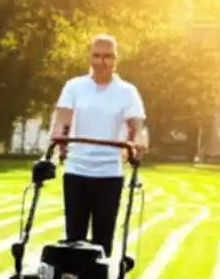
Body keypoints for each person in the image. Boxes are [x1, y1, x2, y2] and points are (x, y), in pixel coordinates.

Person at [48, 34, 147, 258]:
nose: (102, 62)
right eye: (97, 56)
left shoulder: (127, 92)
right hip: (76, 170)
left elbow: (136, 126)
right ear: (90, 58)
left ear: (115, 60)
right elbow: (62, 120)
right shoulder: (74, 87)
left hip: (109, 172)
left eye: (107, 57)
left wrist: (138, 140)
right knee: (74, 237)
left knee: (103, 237)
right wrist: (57, 140)